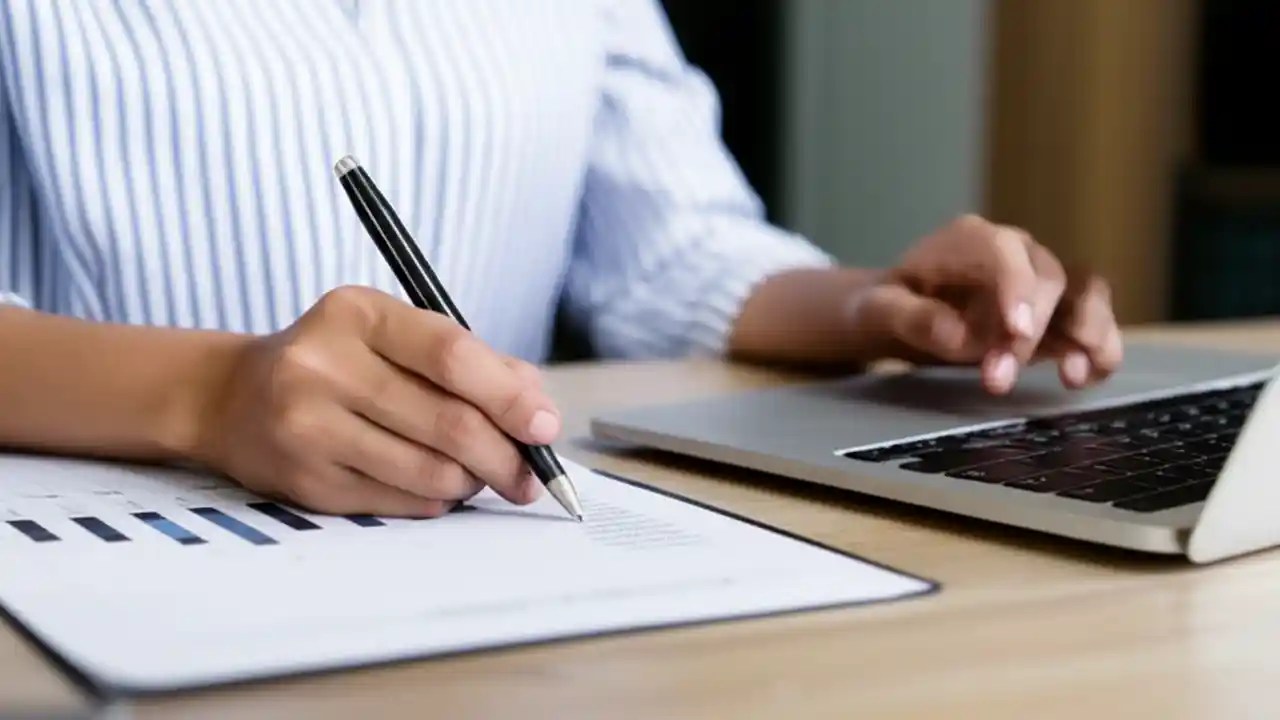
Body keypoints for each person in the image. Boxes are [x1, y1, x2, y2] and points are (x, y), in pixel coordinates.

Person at [0, 0, 1121, 518]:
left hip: (474, 546)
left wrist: (873, 306)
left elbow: (669, 239)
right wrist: (211, 396)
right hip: (122, 546)